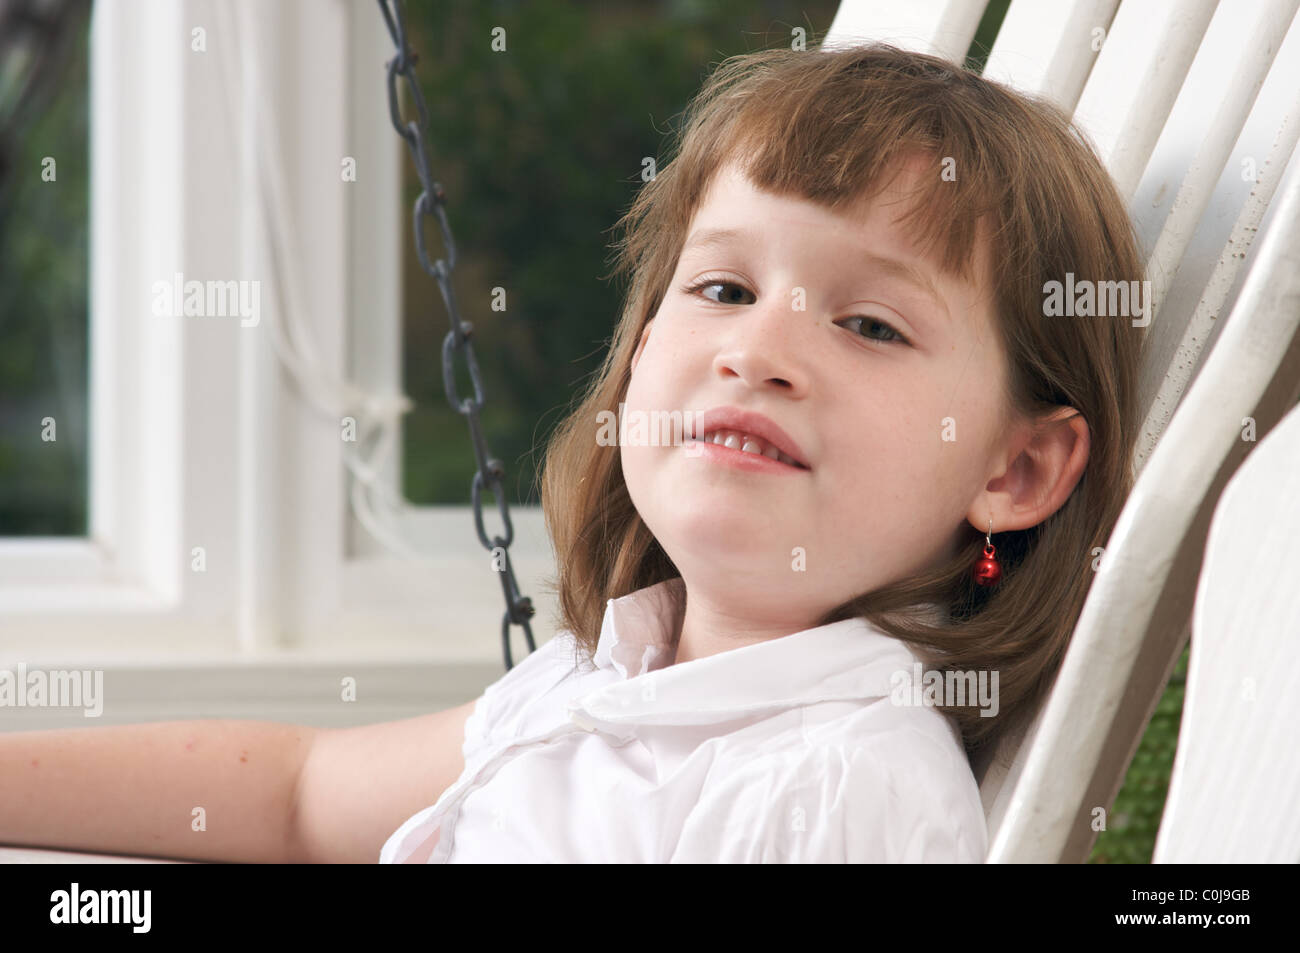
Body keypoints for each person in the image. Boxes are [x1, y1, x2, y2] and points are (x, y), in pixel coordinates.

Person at [0, 42, 1145, 864]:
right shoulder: (602, 682)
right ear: (641, 351)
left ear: (1017, 471)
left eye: (870, 324)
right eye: (723, 287)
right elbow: (297, 798)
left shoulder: (842, 785)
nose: (758, 349)